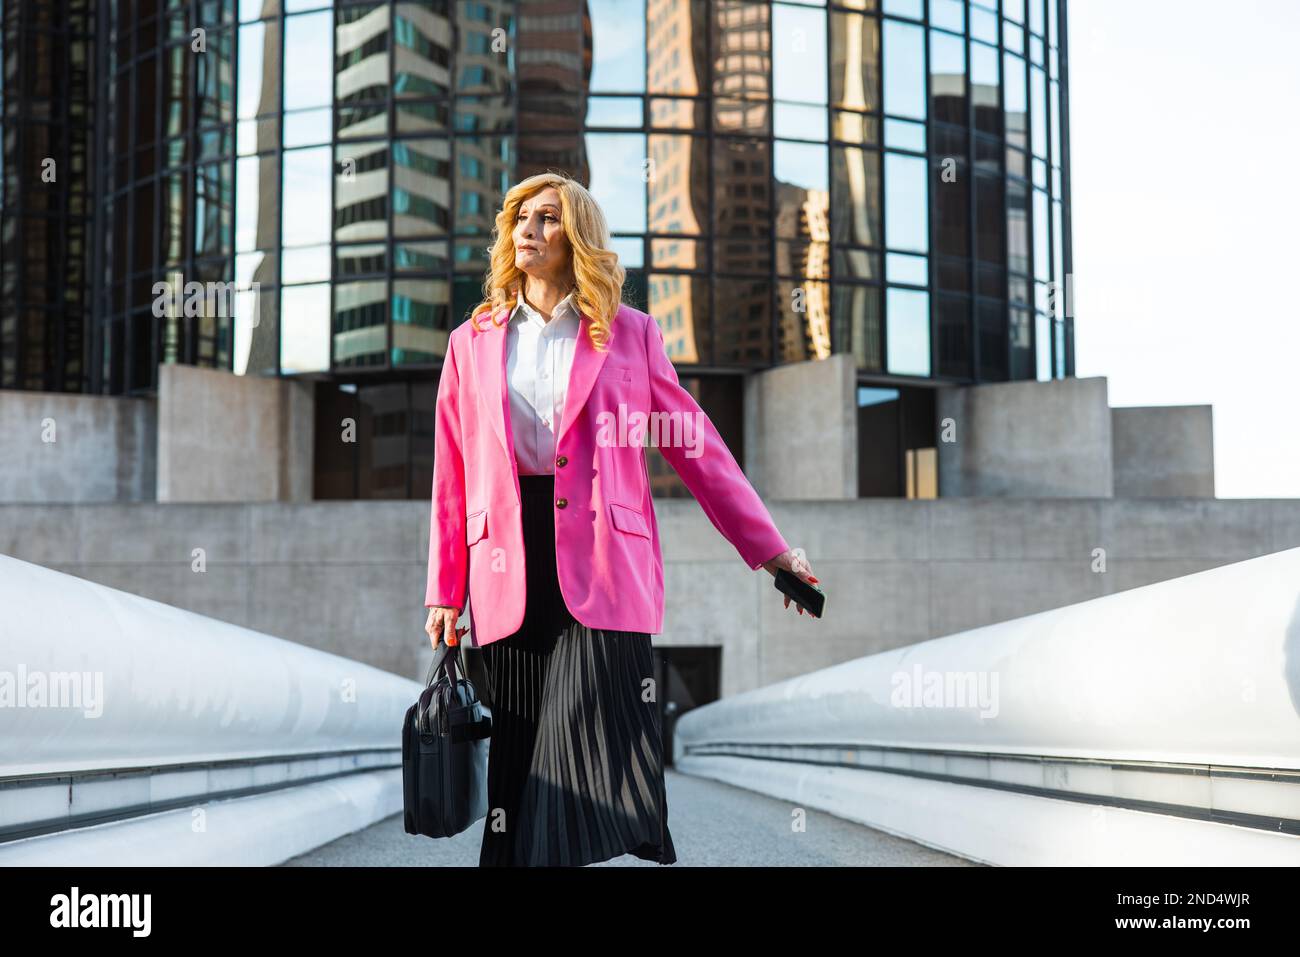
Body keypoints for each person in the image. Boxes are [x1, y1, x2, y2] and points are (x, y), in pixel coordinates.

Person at [422, 171, 820, 867]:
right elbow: (452, 475)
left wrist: (772, 550)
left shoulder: (629, 336)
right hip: (505, 565)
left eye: (546, 218)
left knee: (575, 751)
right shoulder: (472, 341)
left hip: (605, 565)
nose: (528, 229)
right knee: (517, 759)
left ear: (577, 235)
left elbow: (696, 447)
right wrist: (443, 587)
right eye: (519, 216)